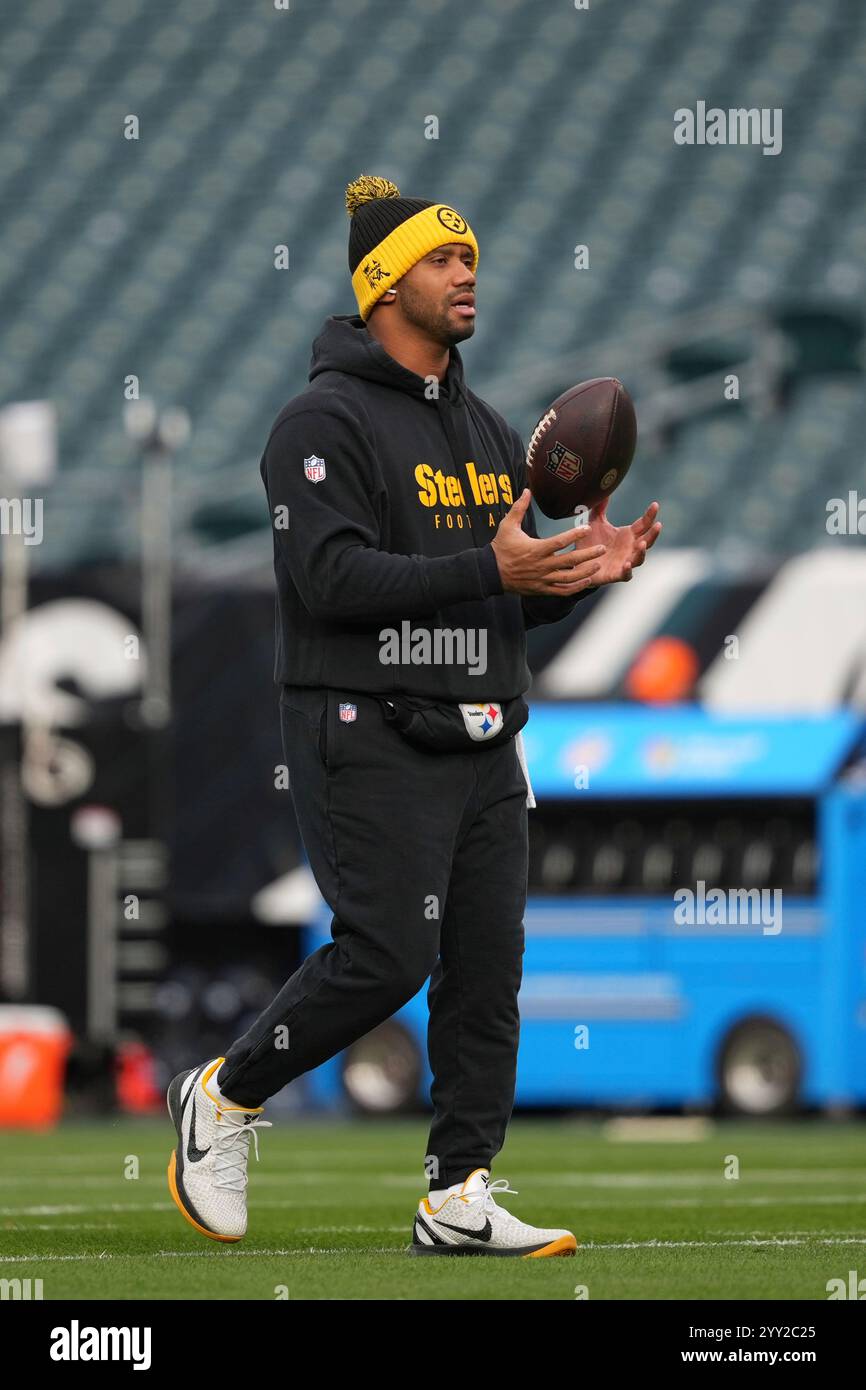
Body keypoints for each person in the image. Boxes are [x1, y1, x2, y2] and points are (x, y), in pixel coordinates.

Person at [167, 174, 661, 1256]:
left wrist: (580, 573)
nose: (465, 270)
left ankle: (457, 1191)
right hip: (366, 723)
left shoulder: (484, 429)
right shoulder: (319, 421)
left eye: (469, 255)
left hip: (484, 732)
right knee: (388, 953)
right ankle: (225, 1092)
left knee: (486, 970)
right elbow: (329, 580)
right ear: (385, 284)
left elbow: (501, 605)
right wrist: (484, 562)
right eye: (442, 258)